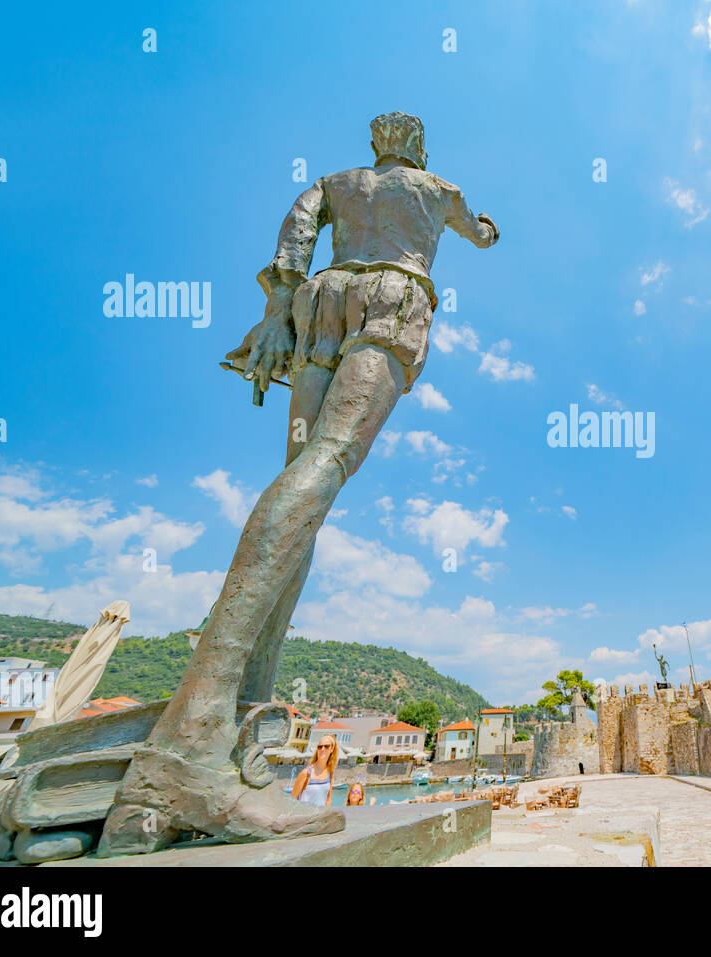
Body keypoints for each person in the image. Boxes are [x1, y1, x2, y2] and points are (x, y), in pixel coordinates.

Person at [98, 112, 500, 854]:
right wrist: (483, 227)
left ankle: (231, 736)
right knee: (330, 465)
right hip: (390, 295)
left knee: (301, 481)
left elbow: (292, 242)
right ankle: (192, 741)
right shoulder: (434, 186)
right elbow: (479, 231)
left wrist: (276, 313)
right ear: (415, 146)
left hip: (319, 303)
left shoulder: (335, 183)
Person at [291, 735, 338, 807]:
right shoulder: (306, 773)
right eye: (320, 747)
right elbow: (292, 800)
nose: (322, 749)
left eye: (326, 746)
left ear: (332, 749)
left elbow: (328, 799)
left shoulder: (330, 773)